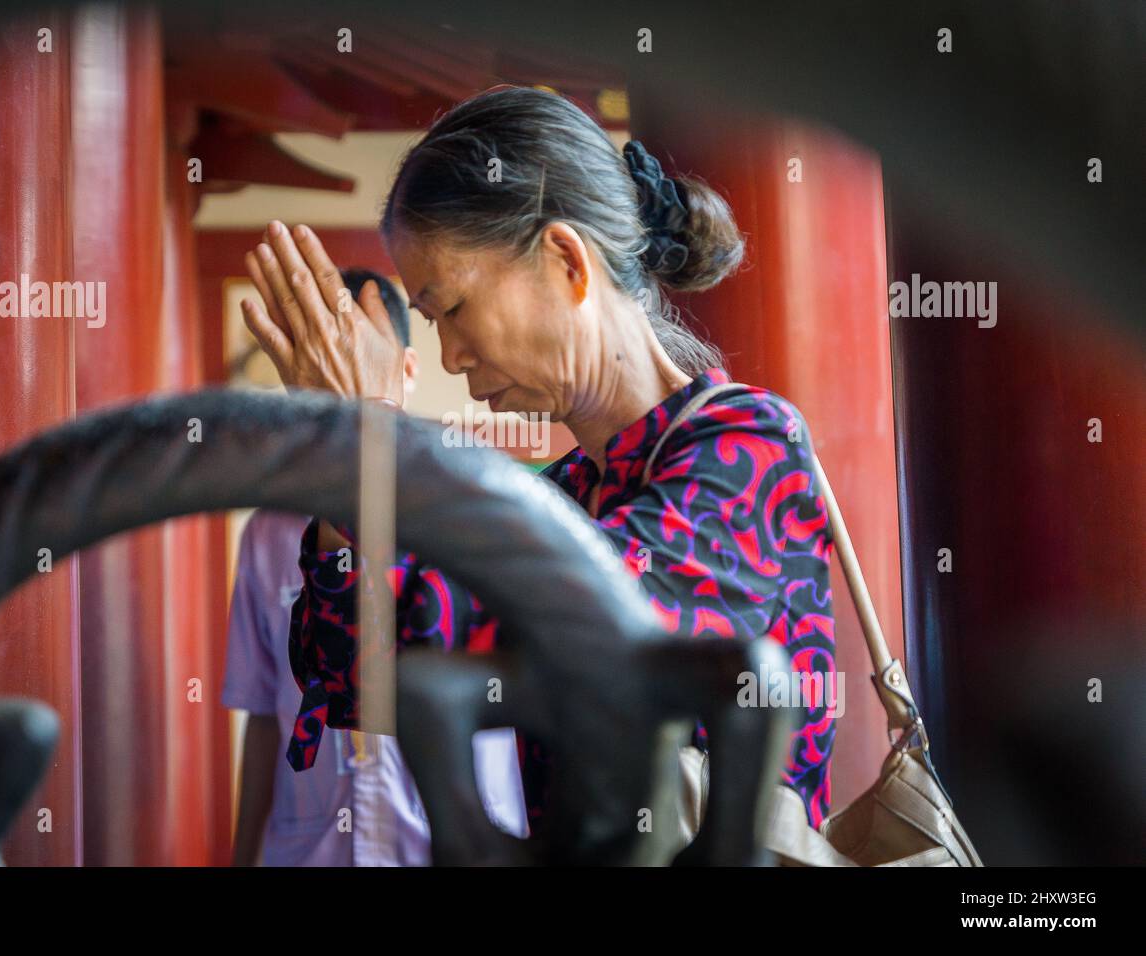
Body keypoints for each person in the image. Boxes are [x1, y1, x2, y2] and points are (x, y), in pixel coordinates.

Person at [240, 86, 836, 836]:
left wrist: (369, 447)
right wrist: (341, 460)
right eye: (430, 324)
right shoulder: (561, 494)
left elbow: (582, 635)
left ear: (565, 260)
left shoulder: (750, 447)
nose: (451, 358)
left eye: (452, 309)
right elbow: (362, 681)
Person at [223, 268, 528, 866]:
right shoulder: (268, 533)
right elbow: (265, 717)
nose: (330, 390)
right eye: (313, 373)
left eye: (353, 364)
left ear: (407, 371)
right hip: (309, 852)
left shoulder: (481, 506)